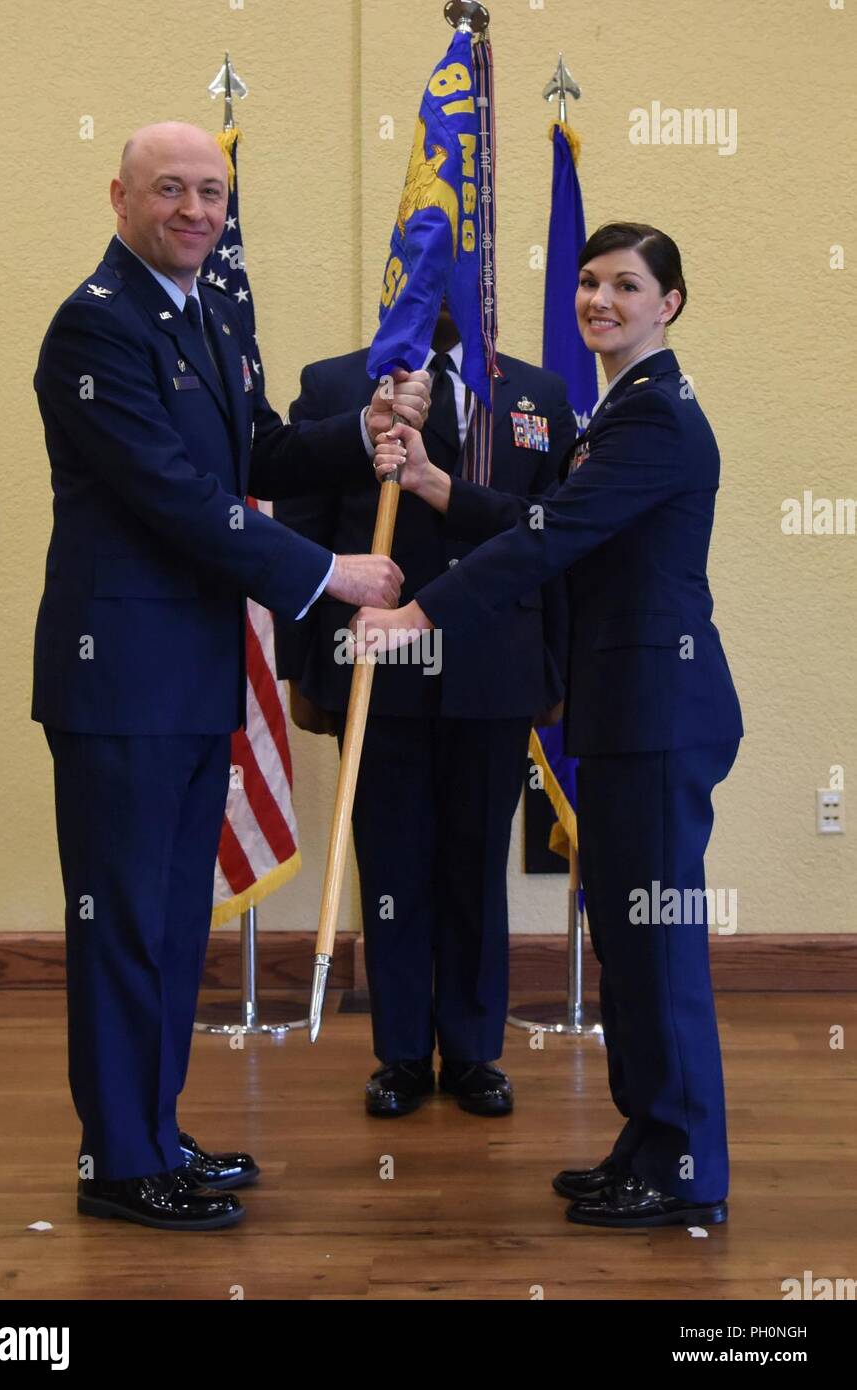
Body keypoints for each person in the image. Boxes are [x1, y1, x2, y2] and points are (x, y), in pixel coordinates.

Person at [32, 121, 430, 1231]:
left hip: (193, 672)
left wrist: (362, 431)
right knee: (123, 922)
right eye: (172, 190)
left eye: (212, 191)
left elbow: (253, 450)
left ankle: (151, 1130)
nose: (197, 210)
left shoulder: (213, 312)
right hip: (120, 681)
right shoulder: (93, 329)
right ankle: (119, 1161)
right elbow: (175, 496)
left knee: (167, 923)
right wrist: (330, 574)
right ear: (119, 196)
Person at [353, 223, 744, 1229]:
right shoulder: (624, 410)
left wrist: (417, 614)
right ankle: (650, 1139)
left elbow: (555, 537)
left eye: (626, 284)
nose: (600, 300)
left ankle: (685, 1161)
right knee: (624, 935)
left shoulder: (654, 417)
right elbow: (554, 521)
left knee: (654, 943)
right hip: (629, 712)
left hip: (658, 713)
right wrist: (443, 488)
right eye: (587, 281)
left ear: (671, 303)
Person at [274, 302, 576, 1117]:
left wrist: (554, 665)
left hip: (493, 665)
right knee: (393, 862)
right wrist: (306, 672)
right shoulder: (337, 384)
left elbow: (553, 538)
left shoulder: (537, 394)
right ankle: (402, 1051)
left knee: (475, 861)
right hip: (378, 666)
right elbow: (301, 529)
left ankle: (473, 1051)